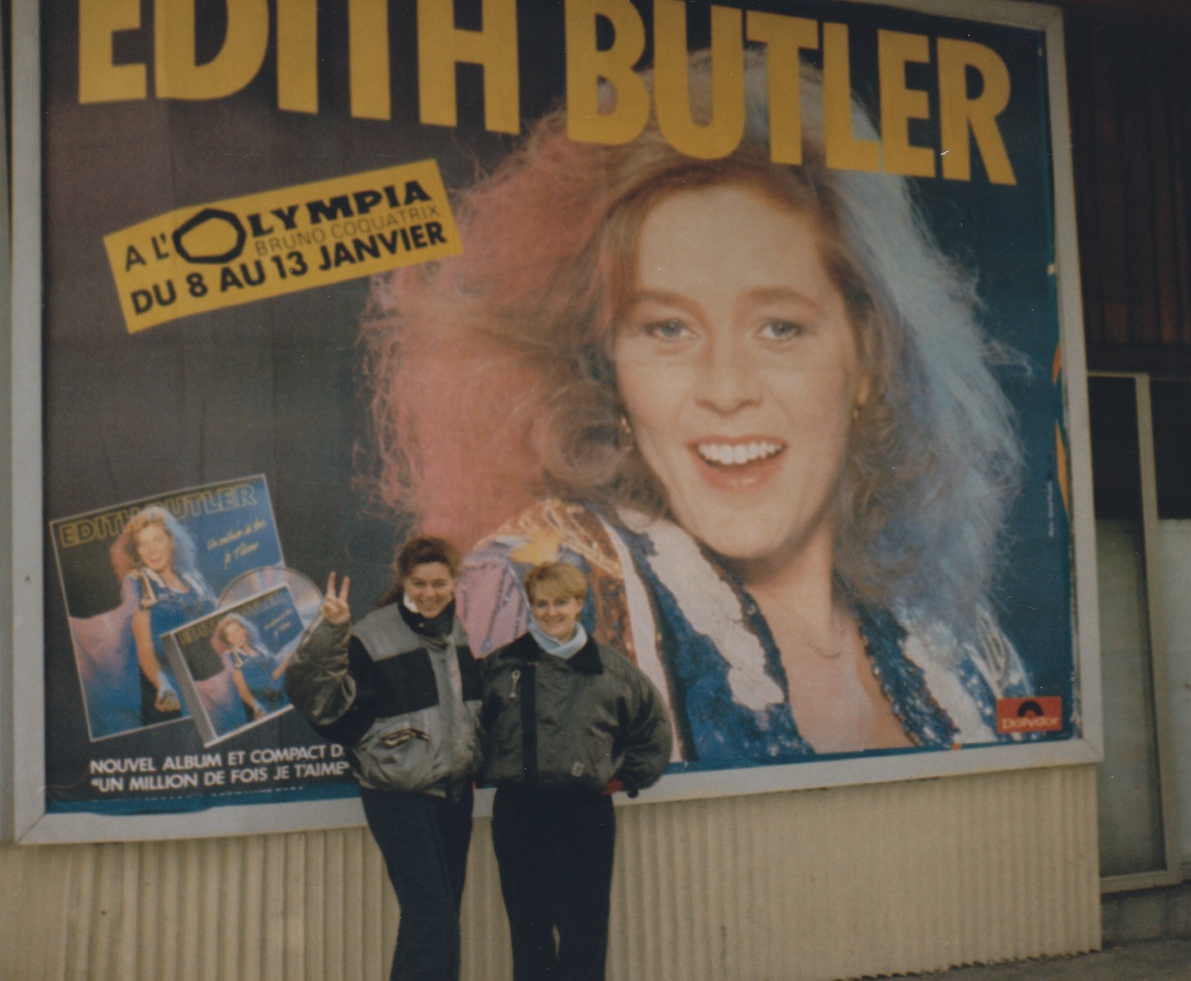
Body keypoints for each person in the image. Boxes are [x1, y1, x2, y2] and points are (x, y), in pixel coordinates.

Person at [361, 49, 1032, 765]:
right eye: (668, 330)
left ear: (865, 355)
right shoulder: (549, 584)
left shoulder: (952, 646)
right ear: (603, 366)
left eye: (778, 328)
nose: (724, 388)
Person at [285, 535, 482, 981]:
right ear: (403, 581)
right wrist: (331, 632)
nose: (429, 593)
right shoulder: (369, 634)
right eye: (418, 583)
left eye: (439, 583)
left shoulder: (459, 634)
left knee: (433, 920)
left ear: (454, 581)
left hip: (452, 796)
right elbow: (318, 701)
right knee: (434, 923)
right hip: (399, 798)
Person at [481, 561, 671, 981]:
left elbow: (653, 729)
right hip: (520, 810)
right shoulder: (501, 665)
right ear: (530, 606)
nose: (551, 612)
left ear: (580, 604)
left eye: (561, 602)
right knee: (529, 928)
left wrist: (626, 777)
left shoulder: (610, 669)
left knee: (583, 927)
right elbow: (472, 726)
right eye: (542, 604)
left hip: (584, 813)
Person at [114, 505, 218, 726]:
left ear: (172, 541)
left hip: (209, 686)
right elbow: (144, 647)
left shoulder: (194, 577)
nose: (152, 550)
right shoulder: (136, 582)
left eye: (157, 540)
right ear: (137, 552)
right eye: (143, 544)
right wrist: (163, 685)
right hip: (169, 691)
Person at [211, 612, 291, 723]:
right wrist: (257, 707)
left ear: (245, 630)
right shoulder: (231, 657)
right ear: (227, 639)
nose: (235, 637)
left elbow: (274, 675)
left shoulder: (259, 648)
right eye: (229, 634)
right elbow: (242, 690)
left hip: (281, 696)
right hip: (265, 706)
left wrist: (289, 658)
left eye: (237, 631)